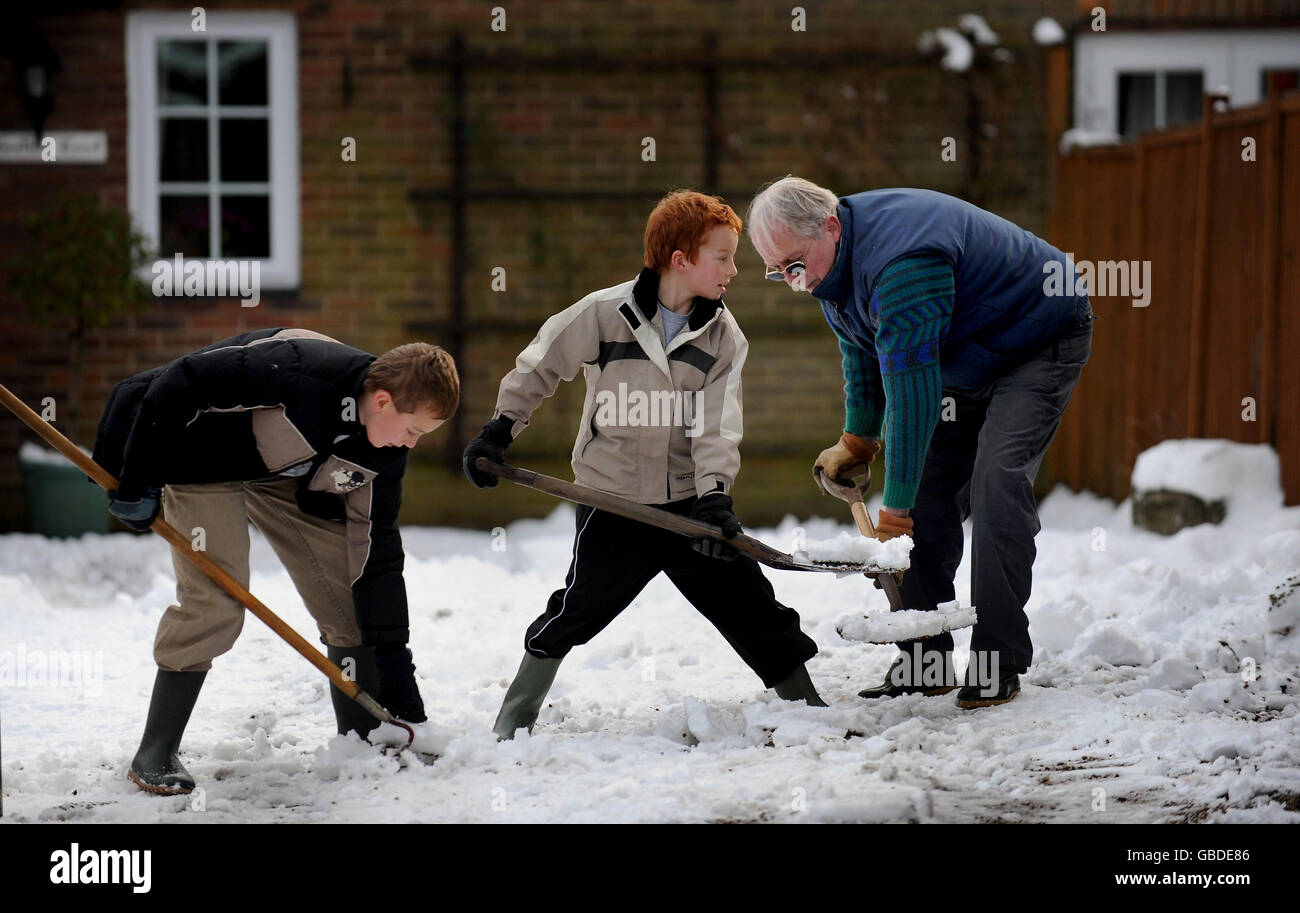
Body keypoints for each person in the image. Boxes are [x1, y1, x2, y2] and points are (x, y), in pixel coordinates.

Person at [463, 190, 825, 740]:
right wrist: (500, 428)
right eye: (723, 257)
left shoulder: (724, 338)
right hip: (613, 503)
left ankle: (808, 706)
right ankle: (512, 721)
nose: (734, 270)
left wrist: (715, 495)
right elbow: (540, 365)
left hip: (689, 508)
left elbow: (716, 427)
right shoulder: (604, 314)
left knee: (752, 608)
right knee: (576, 610)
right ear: (681, 260)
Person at [746, 176, 1094, 708]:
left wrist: (896, 513)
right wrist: (856, 442)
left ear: (831, 227)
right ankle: (924, 662)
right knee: (930, 492)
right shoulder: (828, 267)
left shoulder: (902, 264)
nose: (794, 282)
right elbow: (862, 351)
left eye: (794, 265)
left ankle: (997, 658)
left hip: (1036, 339)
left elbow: (912, 396)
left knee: (996, 484)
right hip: (965, 351)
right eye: (779, 273)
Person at [92, 327, 460, 793]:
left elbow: (378, 558)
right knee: (216, 604)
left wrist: (404, 698)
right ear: (383, 401)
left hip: (280, 468)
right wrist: (136, 480)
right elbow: (178, 383)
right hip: (201, 460)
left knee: (352, 601)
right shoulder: (297, 372)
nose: (412, 444)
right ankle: (155, 751)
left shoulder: (381, 451)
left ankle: (360, 739)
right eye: (413, 430)